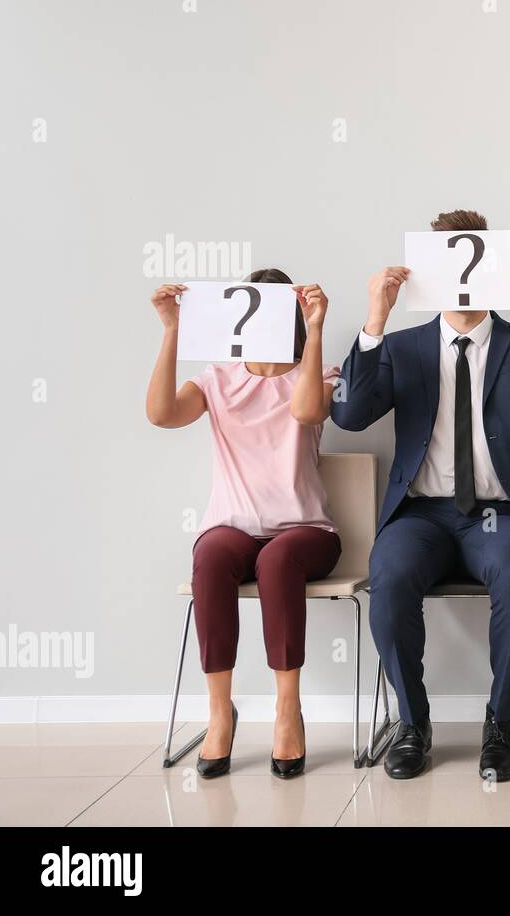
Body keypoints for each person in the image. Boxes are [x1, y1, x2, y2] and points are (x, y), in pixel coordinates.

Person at [332, 209, 510, 782]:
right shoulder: (402, 347)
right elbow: (350, 415)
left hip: (500, 515)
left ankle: (500, 724)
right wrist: (373, 322)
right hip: (421, 516)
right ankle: (413, 723)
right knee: (390, 573)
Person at [146, 269, 342, 779]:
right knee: (209, 557)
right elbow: (161, 414)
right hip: (232, 528)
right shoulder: (218, 379)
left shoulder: (319, 372)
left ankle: (286, 711)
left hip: (306, 532)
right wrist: (172, 331)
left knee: (277, 560)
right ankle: (219, 713)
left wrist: (316, 329)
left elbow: (303, 412)